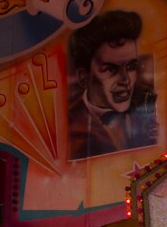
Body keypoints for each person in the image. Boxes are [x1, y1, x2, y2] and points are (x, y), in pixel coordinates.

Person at [67, 10, 158, 159]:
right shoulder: (71, 125)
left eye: (130, 67)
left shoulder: (148, 100)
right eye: (111, 69)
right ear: (83, 78)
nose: (126, 80)